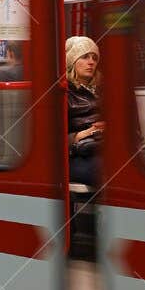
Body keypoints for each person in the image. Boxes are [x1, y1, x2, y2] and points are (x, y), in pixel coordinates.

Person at [65, 35, 102, 187]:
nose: (91, 62)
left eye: (94, 57)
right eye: (85, 57)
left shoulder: (102, 88)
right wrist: (81, 134)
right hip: (76, 157)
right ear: (72, 62)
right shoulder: (64, 92)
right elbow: (50, 141)